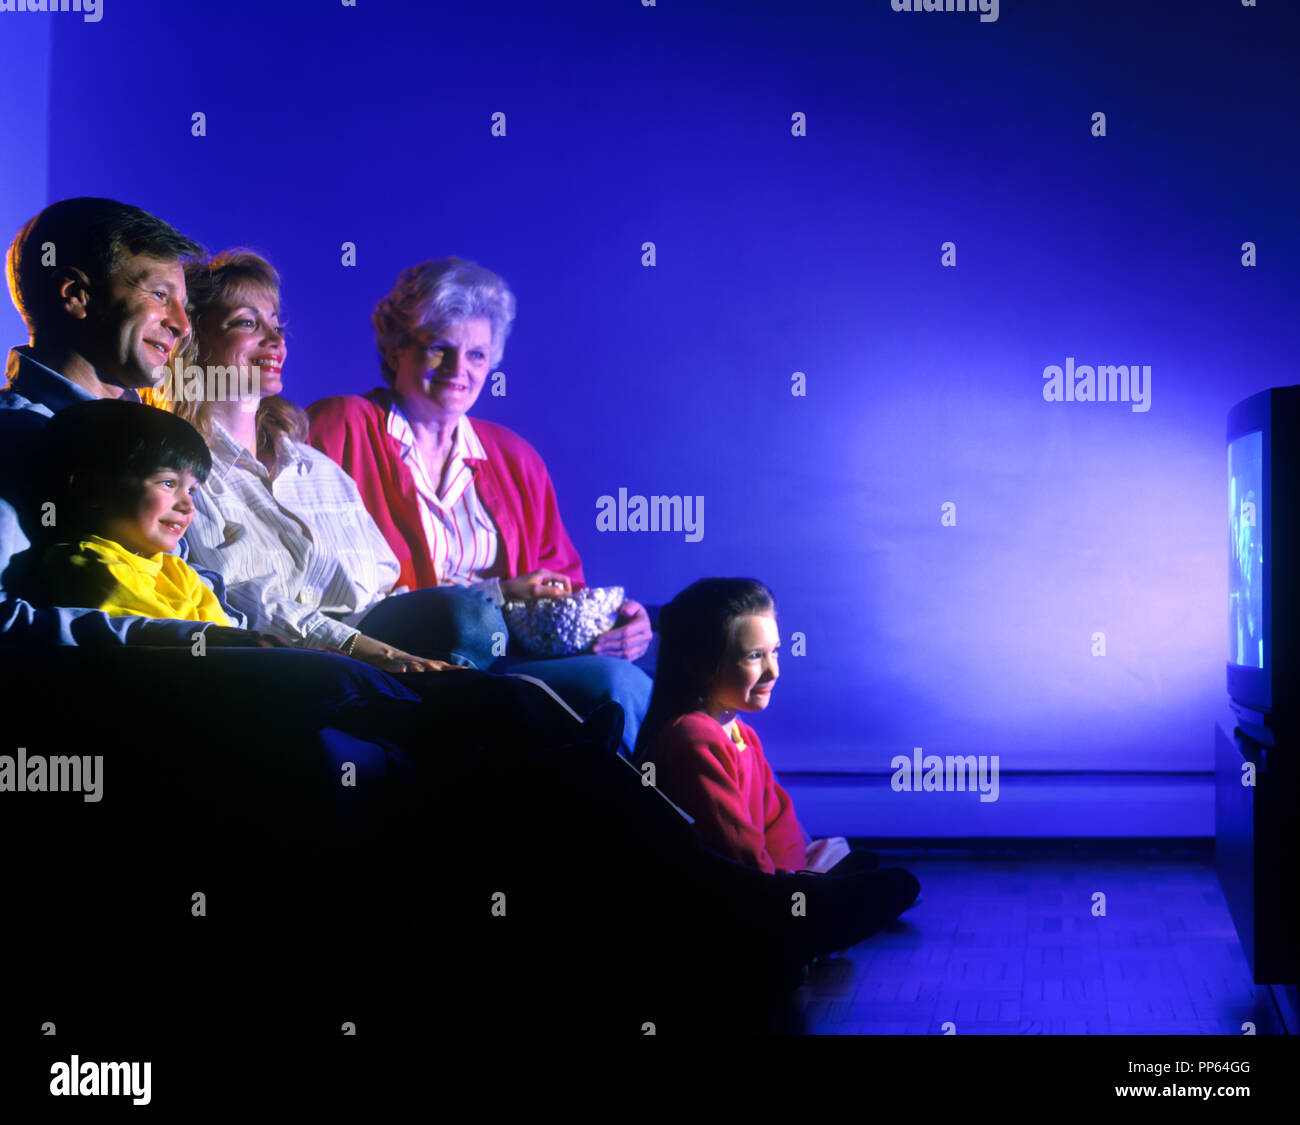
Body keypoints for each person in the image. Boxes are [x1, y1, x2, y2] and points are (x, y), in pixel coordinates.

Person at [307, 258, 654, 754]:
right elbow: (310, 570)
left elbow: (559, 583)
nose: (458, 370)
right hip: (390, 653)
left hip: (506, 660)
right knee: (465, 620)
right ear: (396, 346)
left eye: (476, 355)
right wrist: (499, 591)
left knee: (620, 682)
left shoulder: (515, 457)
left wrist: (618, 622)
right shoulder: (339, 426)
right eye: (439, 349)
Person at [636, 579, 913, 894]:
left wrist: (791, 874)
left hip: (769, 882)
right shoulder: (693, 738)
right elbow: (737, 850)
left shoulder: (744, 736)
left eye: (775, 653)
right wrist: (781, 890)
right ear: (700, 665)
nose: (773, 671)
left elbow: (780, 824)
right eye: (754, 656)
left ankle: (816, 889)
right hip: (728, 897)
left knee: (836, 856)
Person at [35, 399, 236, 625]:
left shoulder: (178, 571)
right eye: (168, 483)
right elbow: (170, 643)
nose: (188, 506)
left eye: (191, 490)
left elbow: (229, 639)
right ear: (92, 489)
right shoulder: (87, 565)